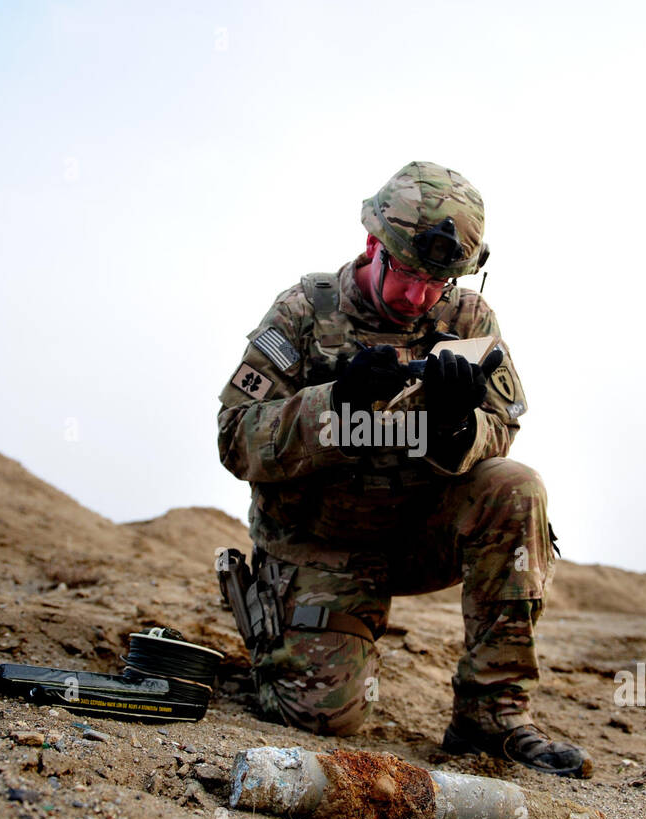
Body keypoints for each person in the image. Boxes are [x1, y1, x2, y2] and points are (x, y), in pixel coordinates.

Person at [216, 161, 591, 777]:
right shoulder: (303, 313)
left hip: (417, 537)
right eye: (410, 274)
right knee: (323, 719)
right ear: (373, 245)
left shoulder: (467, 319)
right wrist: (332, 403)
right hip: (323, 544)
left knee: (516, 487)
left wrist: (456, 428)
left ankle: (491, 715)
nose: (419, 297)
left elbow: (505, 420)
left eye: (438, 281)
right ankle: (275, 629)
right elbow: (234, 438)